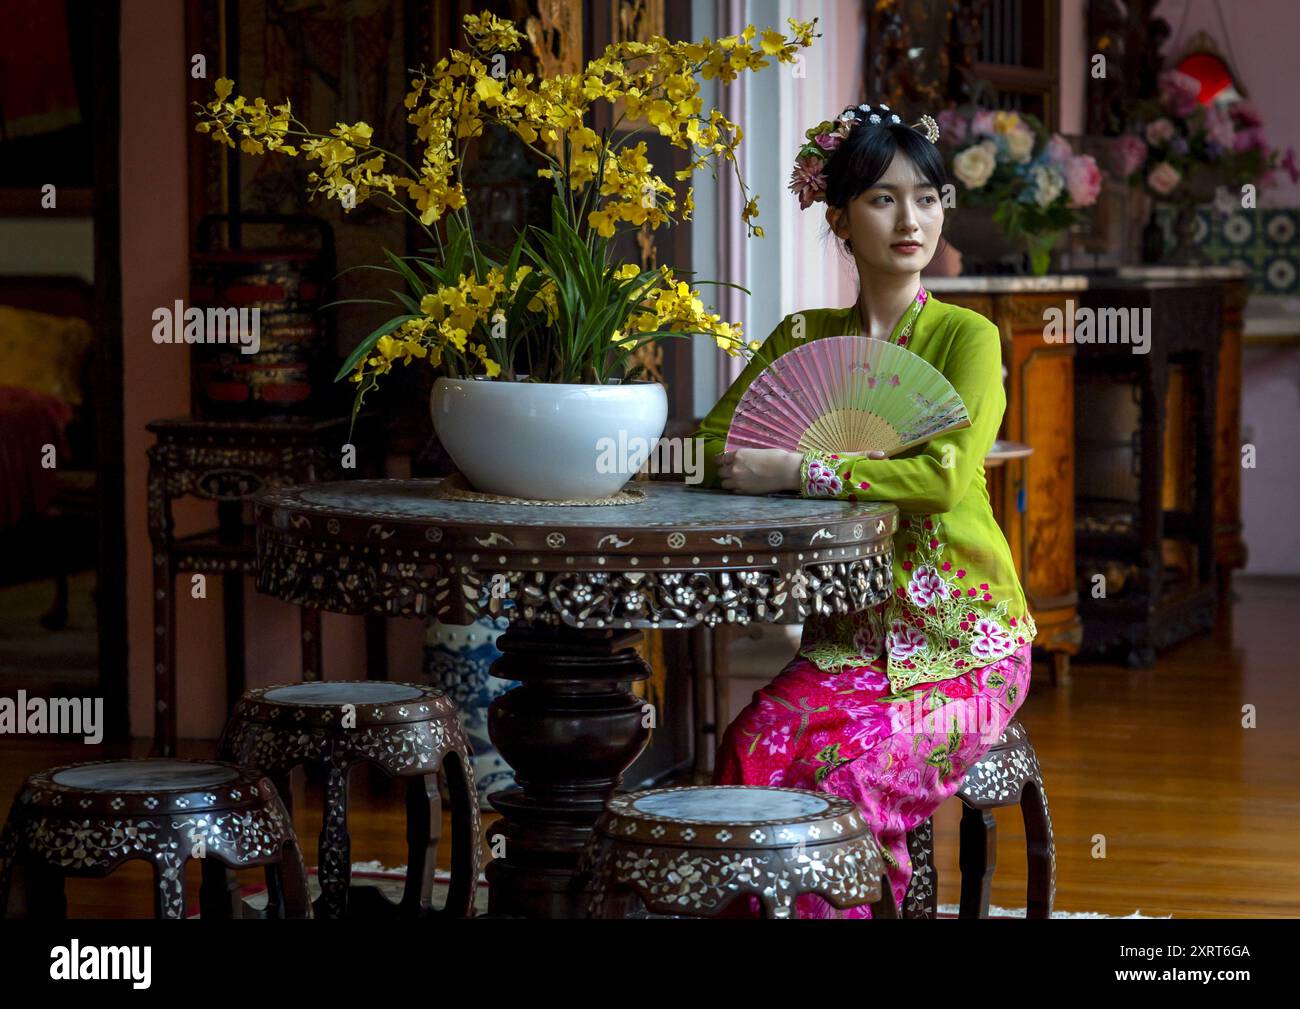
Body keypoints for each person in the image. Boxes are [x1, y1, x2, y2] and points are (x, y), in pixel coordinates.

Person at [690, 102, 1037, 918]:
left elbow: (946, 477)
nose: (911, 217)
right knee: (749, 755)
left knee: (855, 779)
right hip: (848, 642)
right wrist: (863, 464)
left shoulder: (967, 338)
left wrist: (806, 470)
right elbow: (714, 447)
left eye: (926, 195)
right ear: (841, 219)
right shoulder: (804, 339)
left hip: (968, 646)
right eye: (883, 198)